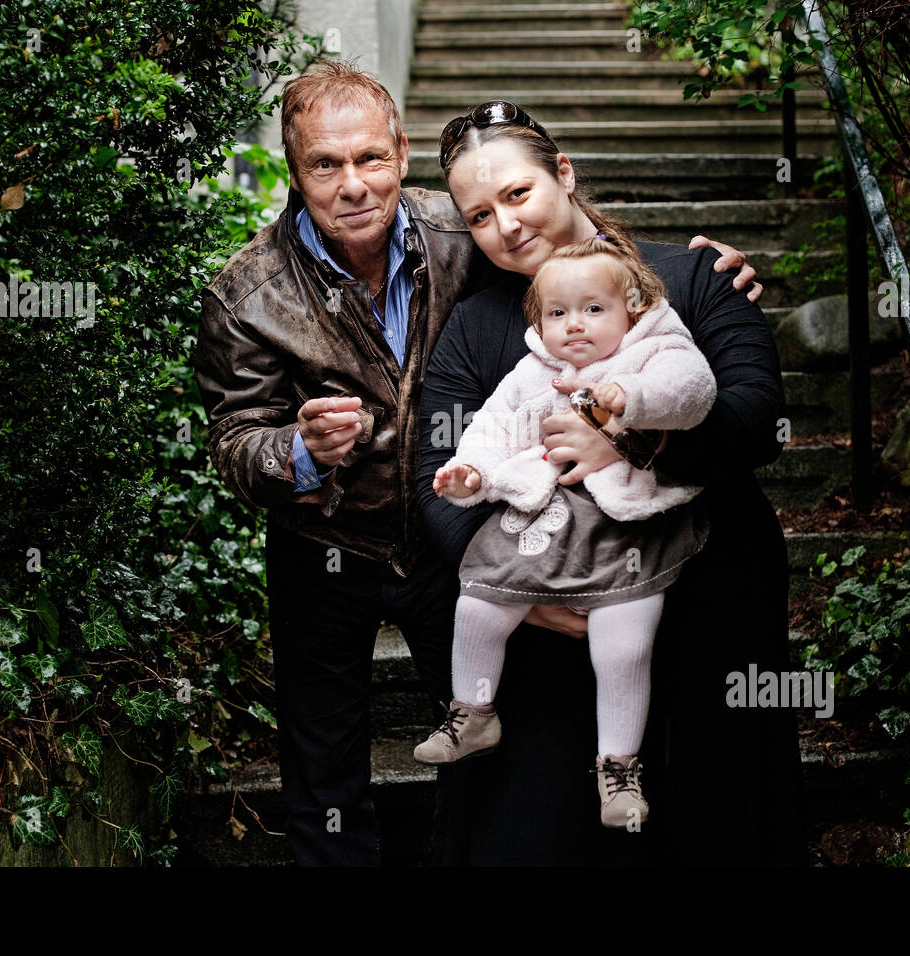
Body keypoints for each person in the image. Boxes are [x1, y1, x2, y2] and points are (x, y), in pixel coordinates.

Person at [194, 61, 762, 866]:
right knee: (323, 770)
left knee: (486, 746)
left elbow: (563, 240)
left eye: (370, 159)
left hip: (442, 547)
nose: (353, 184)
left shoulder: (461, 233)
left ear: (399, 153)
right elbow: (233, 435)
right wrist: (296, 449)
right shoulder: (246, 295)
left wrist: (697, 274)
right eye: (325, 164)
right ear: (295, 171)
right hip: (326, 545)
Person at [418, 101, 806, 865]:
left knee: (718, 825)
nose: (507, 225)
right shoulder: (474, 327)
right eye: (480, 215)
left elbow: (756, 418)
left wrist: (630, 442)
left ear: (564, 173)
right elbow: (436, 473)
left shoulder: (693, 276)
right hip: (546, 630)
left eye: (518, 194)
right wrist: (521, 595)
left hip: (706, 603)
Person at [413, 234, 716, 831]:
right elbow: (493, 424)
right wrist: (471, 468)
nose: (574, 326)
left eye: (593, 309)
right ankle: (473, 711)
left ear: (631, 306)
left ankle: (618, 769)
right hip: (544, 521)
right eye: (557, 313)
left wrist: (632, 398)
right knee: (478, 603)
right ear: (539, 321)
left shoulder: (655, 348)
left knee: (623, 643)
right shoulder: (533, 371)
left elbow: (695, 391)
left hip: (626, 529)